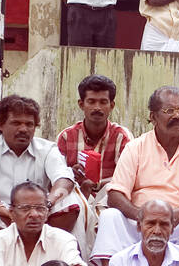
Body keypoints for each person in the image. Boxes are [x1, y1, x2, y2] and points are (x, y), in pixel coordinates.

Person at [93, 86, 179, 261]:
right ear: (152, 116)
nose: (177, 116)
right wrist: (142, 216)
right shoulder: (136, 147)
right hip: (140, 225)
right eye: (169, 110)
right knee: (110, 216)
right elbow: (115, 194)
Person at [0, 95, 78, 251]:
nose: (23, 129)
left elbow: (64, 179)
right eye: (16, 123)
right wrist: (0, 208)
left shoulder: (47, 149)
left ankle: (49, 254)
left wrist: (47, 204)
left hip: (39, 215)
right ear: (1, 125)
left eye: (29, 124)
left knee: (69, 199)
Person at [55, 74, 132, 217]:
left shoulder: (122, 137)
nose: (97, 108)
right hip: (75, 198)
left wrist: (95, 186)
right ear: (81, 104)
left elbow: (128, 177)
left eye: (103, 102)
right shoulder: (66, 137)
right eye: (91, 101)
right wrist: (72, 173)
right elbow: (56, 176)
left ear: (112, 105)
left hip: (110, 200)